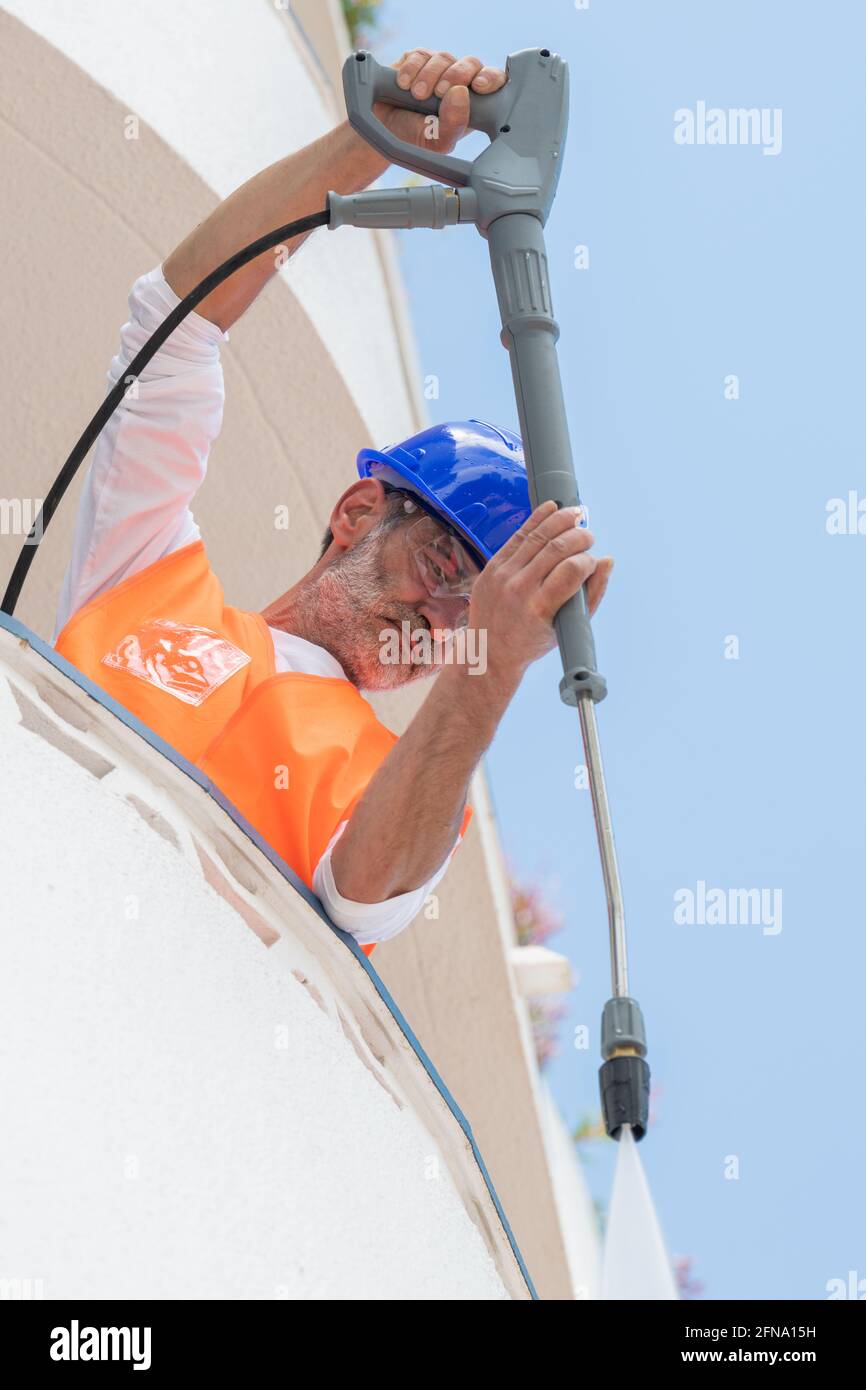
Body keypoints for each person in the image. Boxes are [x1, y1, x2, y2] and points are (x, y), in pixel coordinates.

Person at [53, 49, 613, 954]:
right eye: (442, 569)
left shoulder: (401, 786)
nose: (443, 621)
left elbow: (360, 896)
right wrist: (369, 146)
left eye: (473, 616)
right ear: (357, 512)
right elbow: (175, 325)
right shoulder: (145, 578)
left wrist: (495, 665)